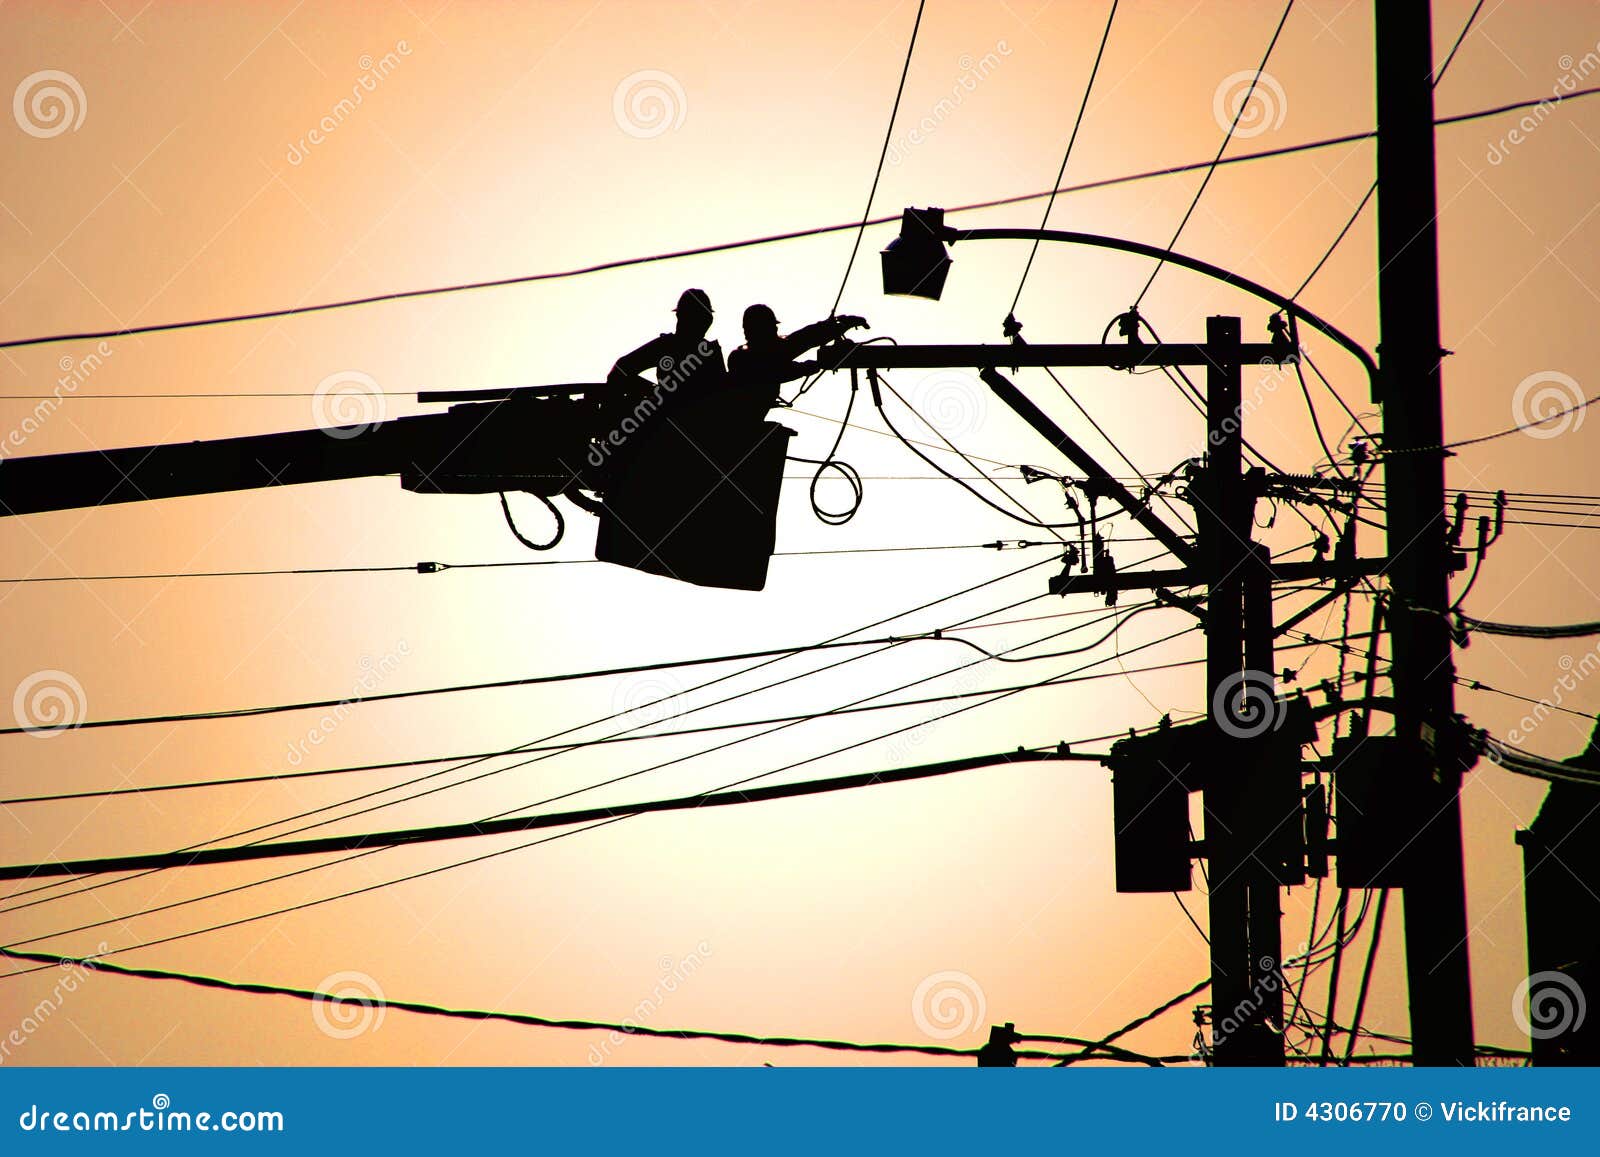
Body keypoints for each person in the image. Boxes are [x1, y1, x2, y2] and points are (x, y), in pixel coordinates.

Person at [599, 288, 728, 439]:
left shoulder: (704, 351)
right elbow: (620, 370)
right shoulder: (668, 346)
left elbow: (721, 397)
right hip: (673, 428)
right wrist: (650, 390)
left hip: (690, 428)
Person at [726, 306, 867, 418]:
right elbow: (775, 371)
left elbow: (804, 338)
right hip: (739, 420)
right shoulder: (741, 358)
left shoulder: (763, 351)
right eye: (772, 327)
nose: (776, 329)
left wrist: (837, 325)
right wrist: (811, 366)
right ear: (758, 330)